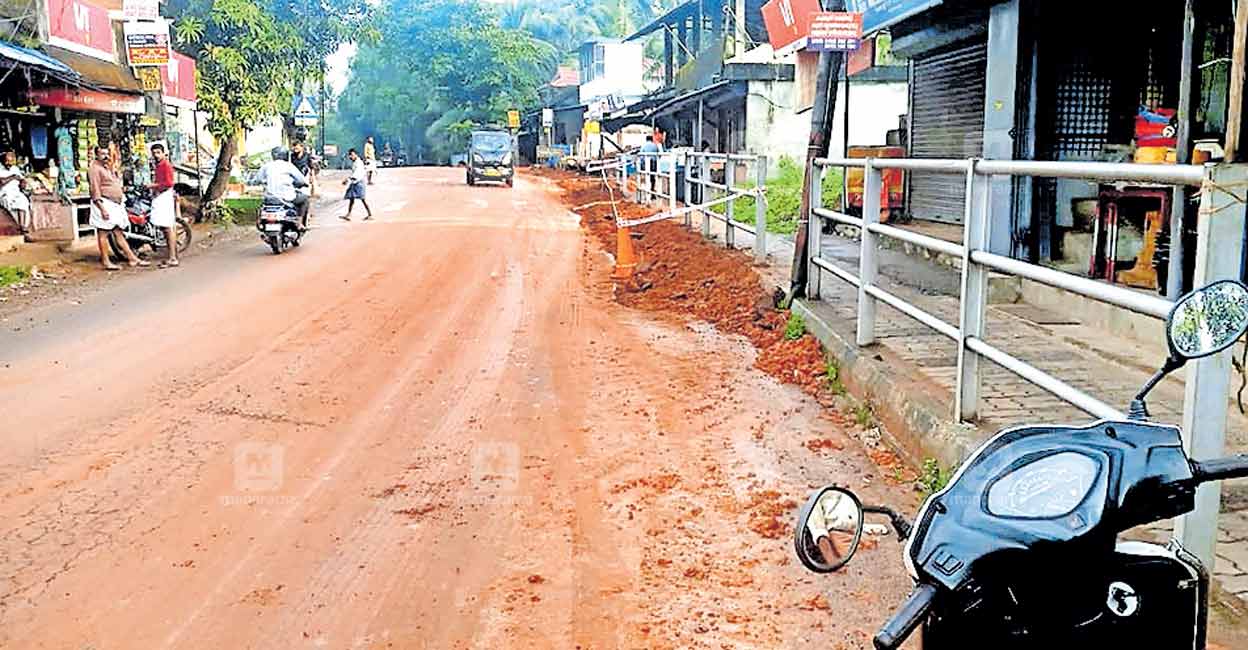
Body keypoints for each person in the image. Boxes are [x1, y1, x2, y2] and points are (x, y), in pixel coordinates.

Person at [88, 146, 146, 270]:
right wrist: (102, 208)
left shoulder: (106, 167)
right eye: (102, 154)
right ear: (96, 155)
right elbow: (95, 189)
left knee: (118, 232)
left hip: (113, 204)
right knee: (103, 233)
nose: (105, 156)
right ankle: (106, 261)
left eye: (106, 154)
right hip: (104, 203)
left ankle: (132, 258)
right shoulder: (94, 169)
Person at [255, 147, 309, 228]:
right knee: (305, 199)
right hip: (287, 197)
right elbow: (301, 180)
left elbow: (257, 179)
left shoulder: (266, 166)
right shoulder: (289, 166)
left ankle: (259, 221)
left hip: (270, 198)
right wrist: (303, 183)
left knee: (261, 205)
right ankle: (299, 222)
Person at [148, 143, 180, 268]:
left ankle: (172, 258)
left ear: (163, 153)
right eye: (154, 153)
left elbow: (168, 183)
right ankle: (171, 256)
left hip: (164, 196)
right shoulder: (159, 165)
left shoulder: (165, 165)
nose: (156, 155)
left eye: (158, 153)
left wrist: (153, 186)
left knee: (167, 227)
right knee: (166, 227)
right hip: (161, 195)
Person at [0, 152, 31, 233]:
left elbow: (21, 179)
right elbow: (1, 182)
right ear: (3, 160)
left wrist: (23, 182)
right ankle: (21, 226)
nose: (8, 164)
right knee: (12, 205)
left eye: (10, 162)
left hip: (16, 193)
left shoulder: (15, 169)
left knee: (23, 201)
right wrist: (13, 177)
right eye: (7, 161)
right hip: (4, 194)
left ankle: (23, 226)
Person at [340, 148, 372, 221]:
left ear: (356, 155)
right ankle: (349, 214)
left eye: (351, 155)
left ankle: (370, 214)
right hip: (355, 182)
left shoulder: (358, 163)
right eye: (350, 155)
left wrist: (348, 179)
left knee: (363, 199)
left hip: (359, 182)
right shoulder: (355, 162)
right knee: (351, 198)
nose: (350, 157)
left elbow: (357, 174)